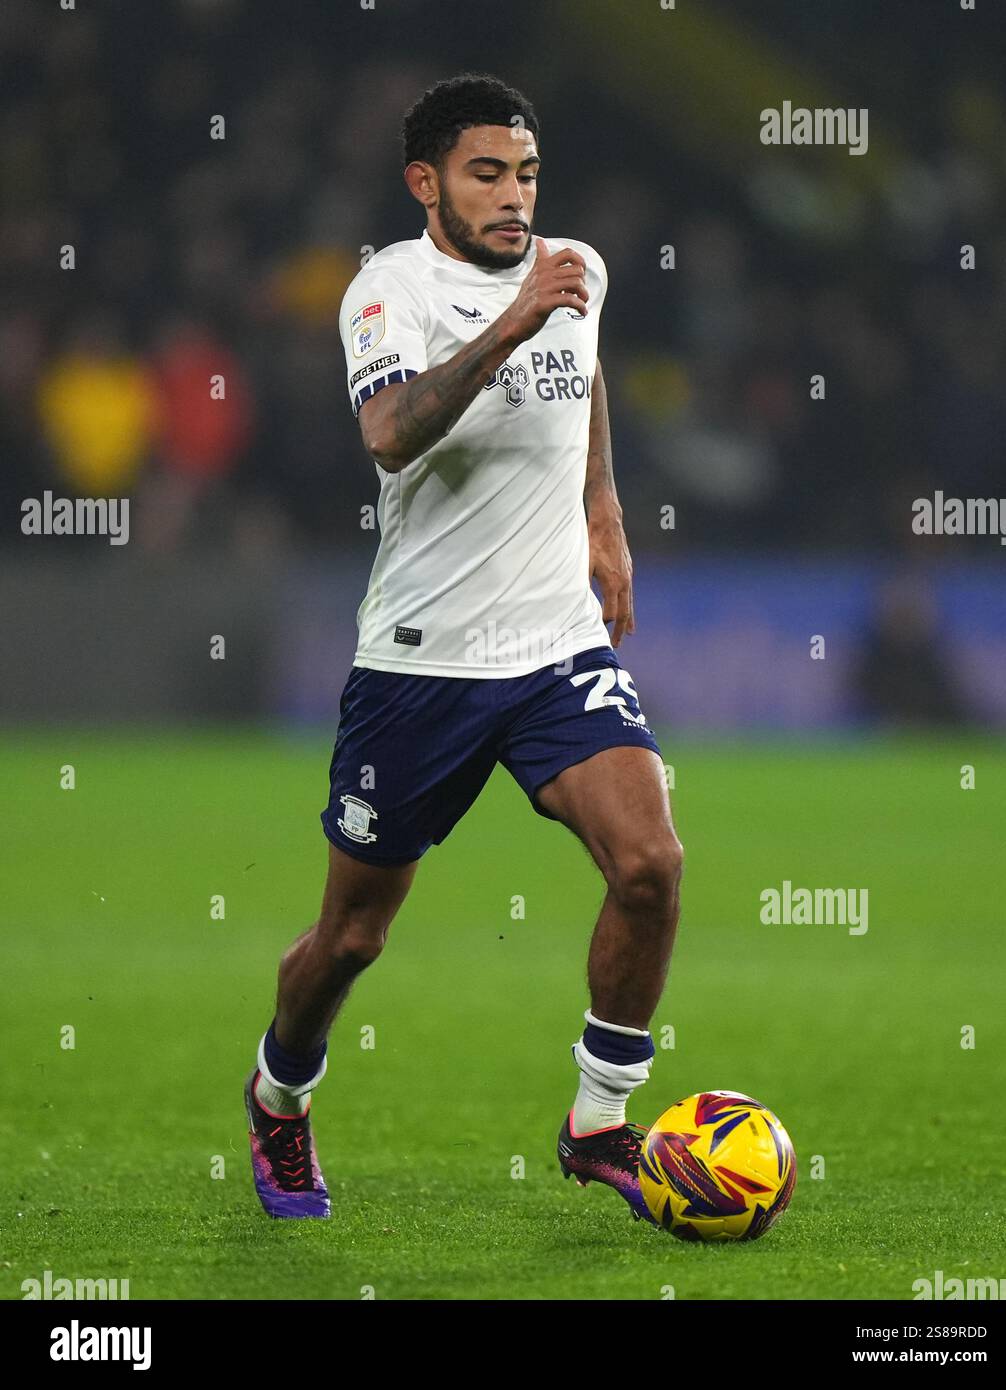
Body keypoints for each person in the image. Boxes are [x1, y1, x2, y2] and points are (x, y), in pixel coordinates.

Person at [245, 72, 683, 1224]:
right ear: (425, 182)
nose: (513, 195)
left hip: (553, 645)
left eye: (526, 172)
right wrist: (512, 320)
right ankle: (280, 1097)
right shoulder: (387, 288)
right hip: (421, 664)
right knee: (349, 940)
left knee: (649, 865)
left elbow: (580, 382)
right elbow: (390, 435)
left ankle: (598, 1123)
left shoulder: (572, 271)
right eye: (486, 173)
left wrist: (605, 517)